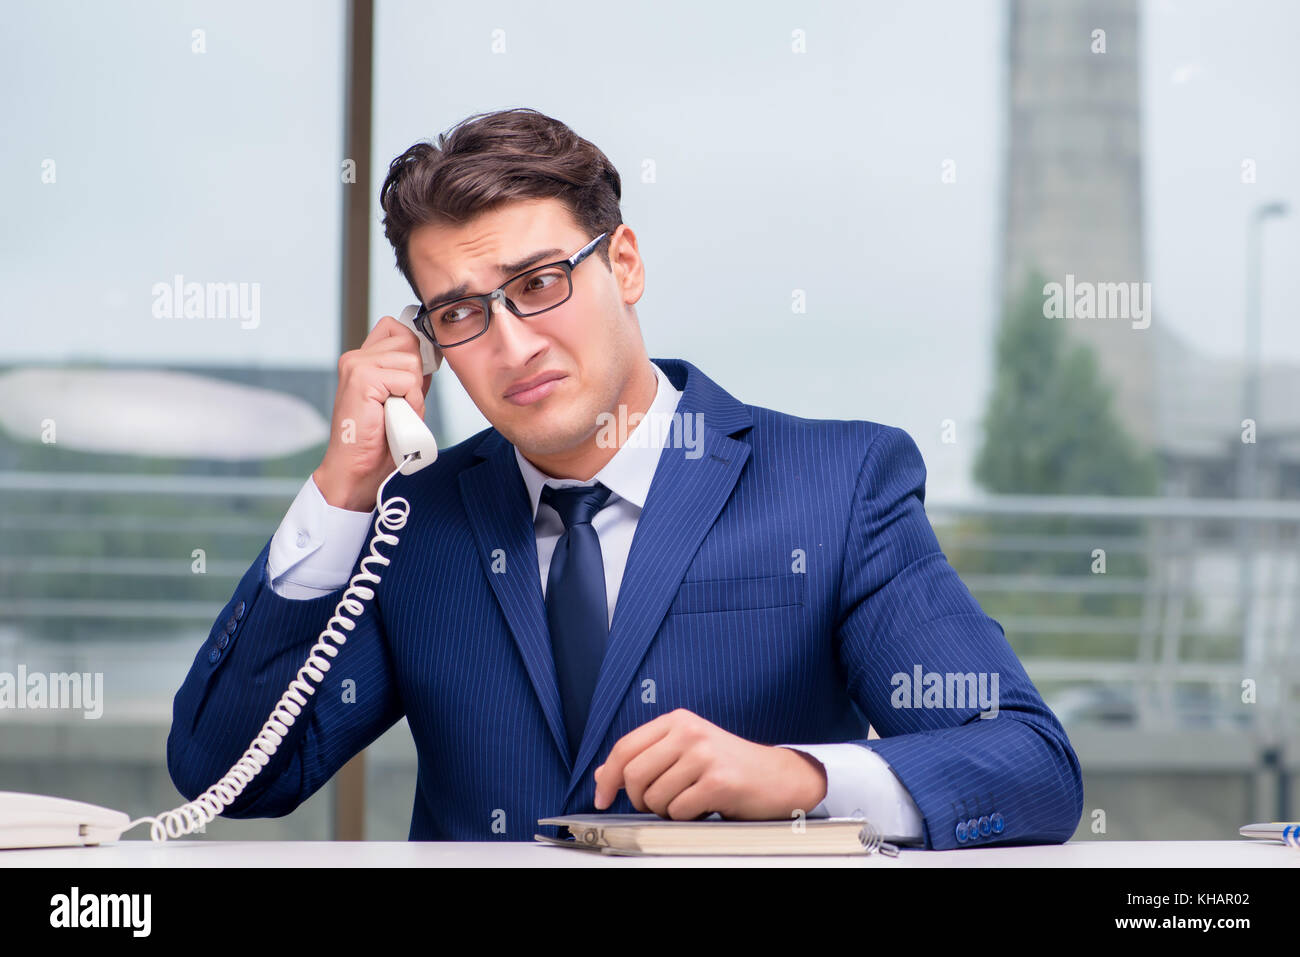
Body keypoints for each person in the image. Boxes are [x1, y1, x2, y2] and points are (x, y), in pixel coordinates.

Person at [167, 107, 1082, 849]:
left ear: (627, 264)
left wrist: (801, 777)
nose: (512, 344)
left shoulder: (838, 484)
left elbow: (1029, 765)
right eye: (460, 312)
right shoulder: (417, 522)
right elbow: (226, 775)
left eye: (537, 283)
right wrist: (341, 489)